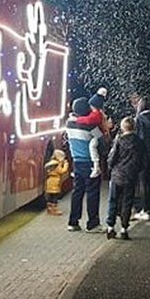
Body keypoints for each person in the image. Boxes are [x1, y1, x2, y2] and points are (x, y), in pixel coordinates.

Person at [65, 97, 104, 233]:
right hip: (90, 162)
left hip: (76, 161)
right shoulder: (90, 126)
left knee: (77, 192)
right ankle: (92, 223)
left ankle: (73, 221)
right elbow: (101, 140)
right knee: (92, 193)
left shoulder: (69, 123)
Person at [106, 116, 144, 240]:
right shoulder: (139, 142)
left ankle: (110, 227)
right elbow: (143, 161)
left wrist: (110, 167)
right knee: (127, 202)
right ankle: (124, 229)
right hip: (131, 176)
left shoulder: (119, 140)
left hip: (117, 175)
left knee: (113, 200)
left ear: (123, 127)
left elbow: (112, 158)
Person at [44, 149, 69, 216]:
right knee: (55, 196)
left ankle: (49, 208)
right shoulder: (57, 164)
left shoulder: (51, 163)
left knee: (50, 196)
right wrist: (66, 164)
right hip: (55, 182)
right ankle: (54, 210)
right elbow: (62, 171)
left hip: (50, 181)